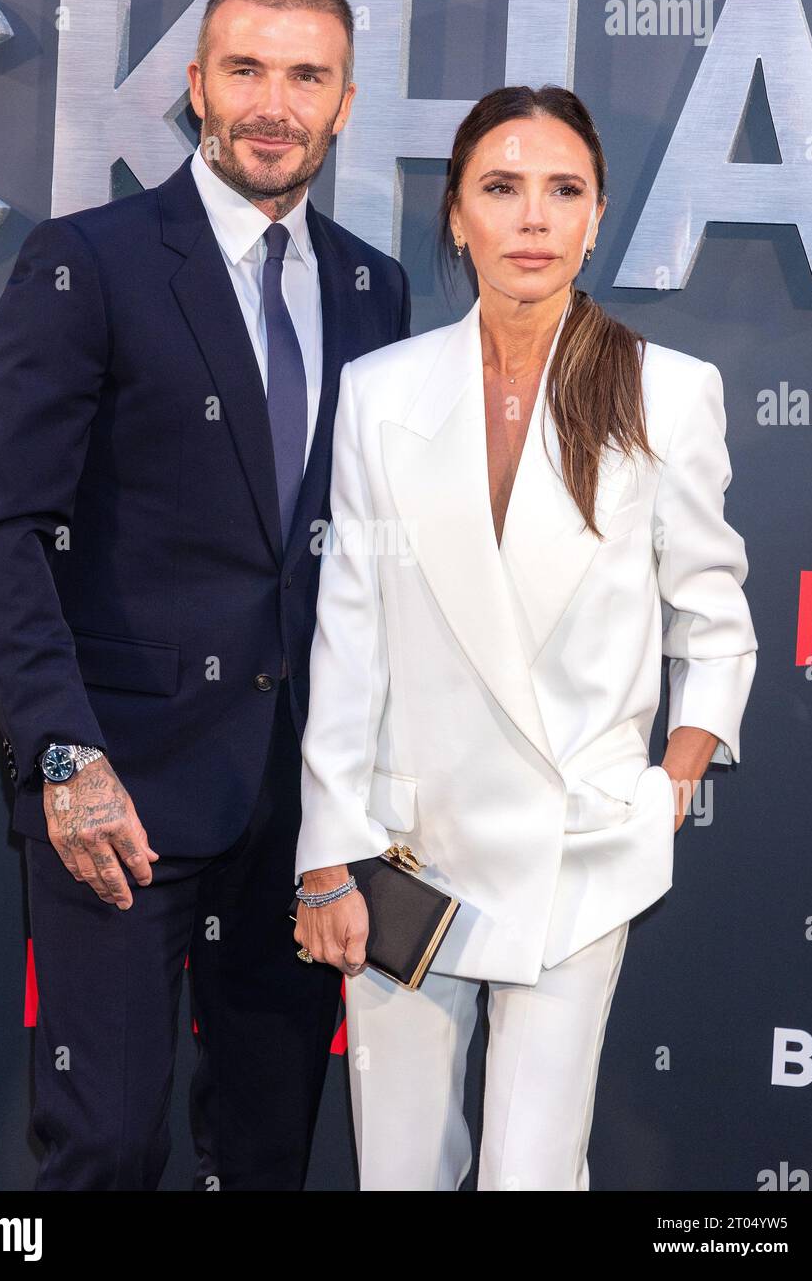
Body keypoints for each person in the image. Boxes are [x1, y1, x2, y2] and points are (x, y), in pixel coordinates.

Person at [0, 0, 410, 1191]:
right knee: (103, 1145)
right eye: (246, 69)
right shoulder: (85, 260)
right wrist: (61, 752)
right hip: (119, 794)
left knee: (265, 1151)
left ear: (345, 102)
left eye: (306, 75)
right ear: (195, 85)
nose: (274, 102)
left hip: (301, 809)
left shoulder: (377, 287)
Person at [293, 84, 758, 1191]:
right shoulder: (381, 392)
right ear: (455, 215)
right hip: (405, 852)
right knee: (398, 1169)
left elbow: (716, 619)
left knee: (529, 1174)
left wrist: (664, 786)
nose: (533, 219)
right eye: (501, 189)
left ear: (596, 218)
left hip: (578, 852)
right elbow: (347, 630)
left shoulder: (665, 392)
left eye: (563, 191)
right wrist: (325, 853)